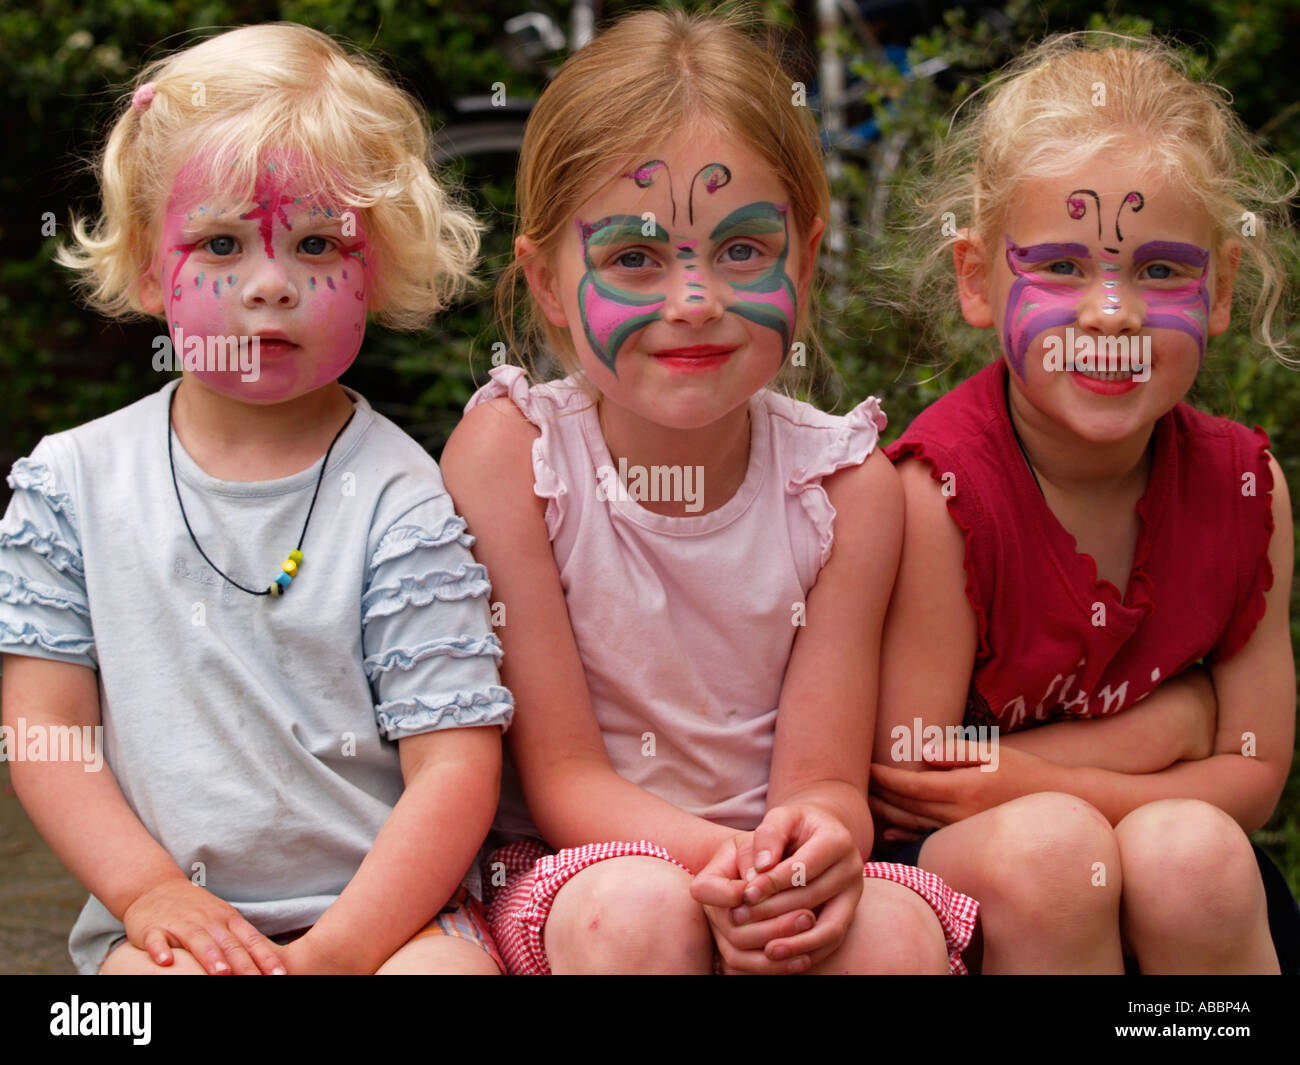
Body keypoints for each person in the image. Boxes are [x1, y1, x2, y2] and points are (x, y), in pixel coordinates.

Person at [441, 7, 977, 976]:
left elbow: (821, 777)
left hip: (777, 866)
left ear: (803, 259)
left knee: (890, 937)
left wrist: (809, 850)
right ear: (549, 283)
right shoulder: (513, 453)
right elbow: (562, 776)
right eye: (635, 258)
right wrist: (718, 868)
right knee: (638, 914)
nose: (694, 299)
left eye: (740, 250)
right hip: (584, 870)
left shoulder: (847, 484)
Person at [0, 23, 512, 975]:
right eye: (221, 242)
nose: (270, 284)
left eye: (317, 243)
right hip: (163, 919)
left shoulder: (403, 499)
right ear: (152, 270)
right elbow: (45, 731)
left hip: (391, 916)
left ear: (379, 265)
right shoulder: (71, 485)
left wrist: (335, 955)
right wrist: (147, 889)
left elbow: (454, 766)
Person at [871, 33, 1297, 974]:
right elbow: (914, 770)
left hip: (1158, 854)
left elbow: (1256, 772)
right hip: (968, 873)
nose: (1112, 313)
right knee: (1058, 850)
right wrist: (1173, 728)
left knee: (1193, 854)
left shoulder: (1243, 485)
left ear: (1221, 288)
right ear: (977, 279)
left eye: (1161, 270)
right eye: (1061, 267)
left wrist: (1034, 771)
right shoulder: (938, 491)